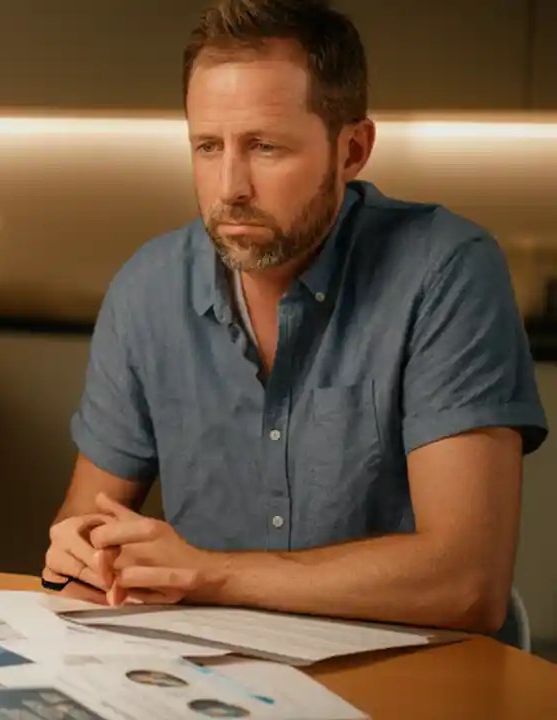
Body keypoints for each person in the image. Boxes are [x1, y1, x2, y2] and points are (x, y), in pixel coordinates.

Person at [42, 0, 547, 634]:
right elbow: (82, 535)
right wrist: (83, 556)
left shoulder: (445, 272)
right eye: (207, 146)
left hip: (413, 677)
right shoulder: (147, 287)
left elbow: (466, 584)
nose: (230, 187)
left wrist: (209, 573)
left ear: (353, 150)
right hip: (207, 679)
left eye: (265, 147)